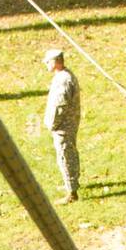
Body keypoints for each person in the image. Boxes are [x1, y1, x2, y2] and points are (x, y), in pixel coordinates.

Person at [43, 47, 81, 204]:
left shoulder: (63, 80)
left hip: (63, 125)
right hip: (67, 123)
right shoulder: (64, 75)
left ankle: (71, 192)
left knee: (65, 155)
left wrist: (51, 123)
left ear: (55, 62)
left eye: (47, 62)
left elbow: (60, 105)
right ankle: (71, 183)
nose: (46, 65)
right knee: (69, 152)